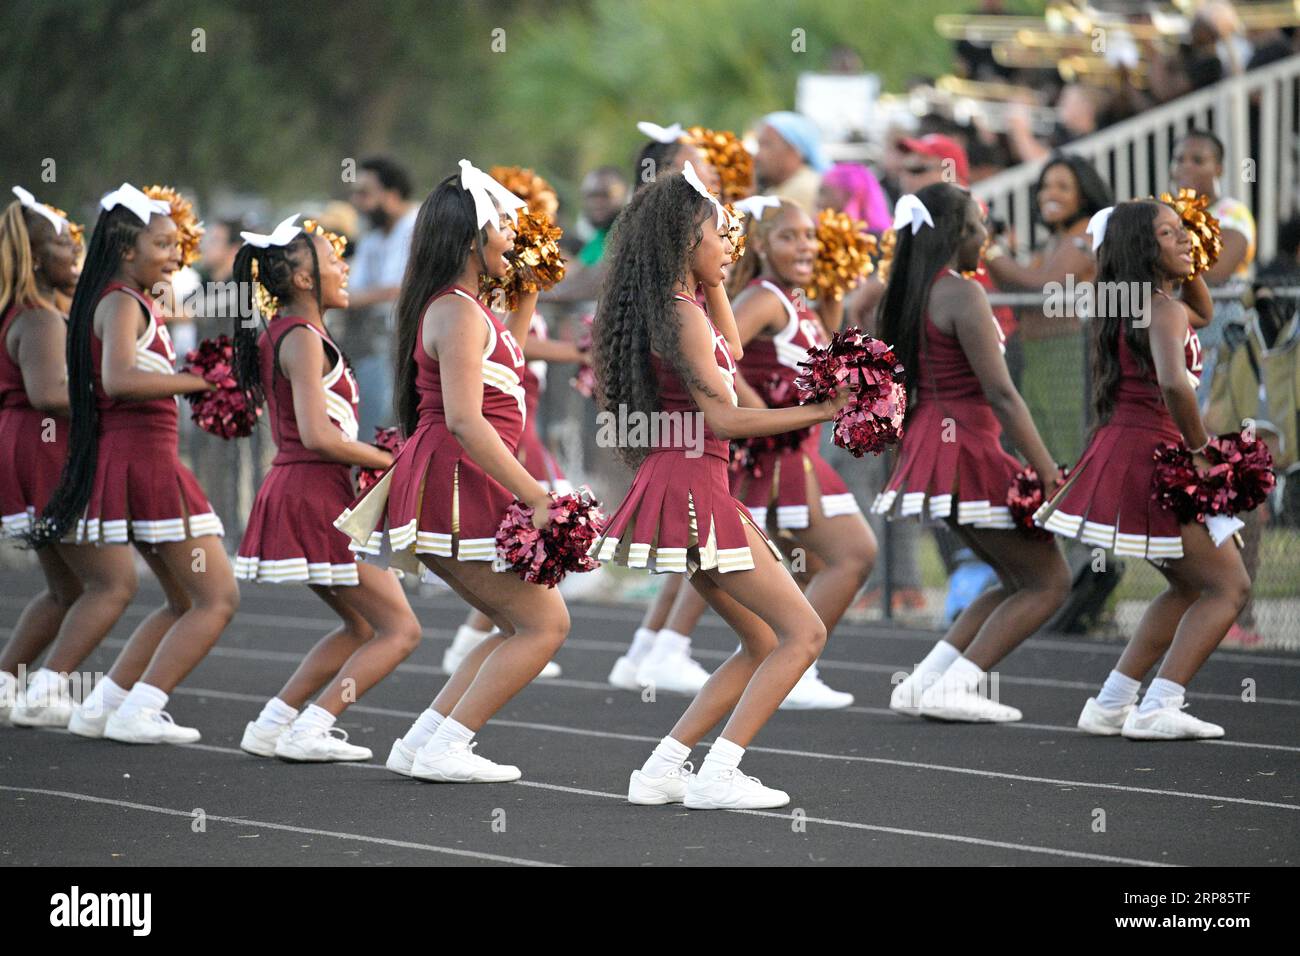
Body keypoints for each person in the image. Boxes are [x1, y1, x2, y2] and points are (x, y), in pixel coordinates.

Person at [589, 164, 850, 809]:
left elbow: (731, 346)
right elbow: (728, 417)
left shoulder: (688, 307)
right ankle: (719, 772)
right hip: (695, 486)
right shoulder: (678, 317)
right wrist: (820, 411)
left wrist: (714, 278)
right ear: (683, 238)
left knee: (762, 638)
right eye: (718, 232)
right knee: (804, 634)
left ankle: (662, 769)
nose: (730, 241)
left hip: (690, 482)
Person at [336, 161, 569, 784]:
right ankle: (448, 744)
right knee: (546, 624)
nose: (512, 242)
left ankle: (425, 741)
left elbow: (513, 357)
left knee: (517, 622)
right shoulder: (458, 312)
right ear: (472, 238)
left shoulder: (470, 307)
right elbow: (467, 420)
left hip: (460, 480)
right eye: (504, 232)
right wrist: (535, 494)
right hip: (456, 481)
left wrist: (531, 283)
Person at [1036, 200, 1250, 740]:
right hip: (1159, 457)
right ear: (1139, 247)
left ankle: (1111, 704)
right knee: (1229, 587)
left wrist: (1186, 254)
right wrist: (1203, 452)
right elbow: (1176, 383)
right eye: (1170, 233)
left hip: (1127, 452)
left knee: (1186, 587)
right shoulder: (1160, 308)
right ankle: (1160, 705)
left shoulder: (1131, 303)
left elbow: (1199, 310)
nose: (1186, 239)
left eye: (1185, 231)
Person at [34, 184, 239, 744]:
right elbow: (119, 380)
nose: (177, 255)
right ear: (127, 249)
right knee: (217, 598)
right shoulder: (121, 299)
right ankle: (138, 710)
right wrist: (207, 382)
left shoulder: (128, 298)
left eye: (179, 245)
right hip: (146, 464)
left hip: (143, 459)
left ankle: (103, 707)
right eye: (165, 244)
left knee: (182, 598)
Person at [874, 186, 1070, 722]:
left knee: (1014, 577)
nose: (988, 236)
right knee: (1050, 583)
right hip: (967, 450)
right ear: (956, 234)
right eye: (979, 225)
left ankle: (925, 683)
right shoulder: (963, 294)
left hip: (933, 451)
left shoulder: (911, 293)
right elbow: (1002, 394)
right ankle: (957, 687)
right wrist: (1047, 469)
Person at [230, 217, 422, 762]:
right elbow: (318, 436)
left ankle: (273, 723)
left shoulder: (286, 332)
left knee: (360, 623)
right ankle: (313, 726)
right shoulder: (302, 339)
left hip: (305, 489)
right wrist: (392, 460)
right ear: (303, 279)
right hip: (315, 494)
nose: (344, 268)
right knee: (400, 630)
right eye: (333, 259)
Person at [0, 189, 84, 725]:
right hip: (43, 445)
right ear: (35, 257)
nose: (74, 258)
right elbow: (50, 395)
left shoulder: (23, 310)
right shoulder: (38, 318)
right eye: (63, 248)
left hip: (26, 443)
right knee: (112, 583)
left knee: (67, 586)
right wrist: (118, 396)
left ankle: (7, 681)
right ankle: (47, 692)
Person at [346, 155, 417, 437]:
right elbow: (353, 289)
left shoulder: (417, 227)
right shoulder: (372, 238)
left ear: (392, 195)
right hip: (378, 346)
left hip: (410, 348)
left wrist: (347, 299)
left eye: (365, 193)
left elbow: (396, 289)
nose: (357, 202)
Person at [754, 111, 829, 213]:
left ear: (794, 151)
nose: (758, 156)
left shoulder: (804, 189)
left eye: (767, 145)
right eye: (760, 145)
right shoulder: (779, 188)